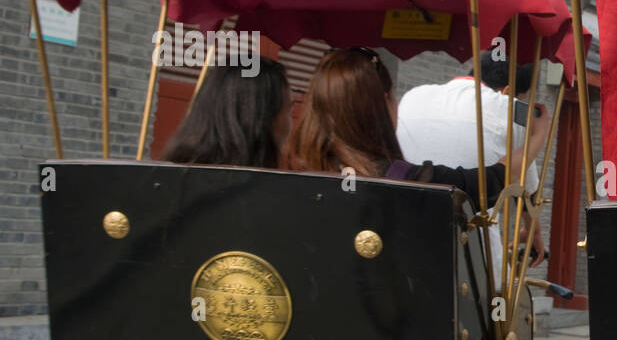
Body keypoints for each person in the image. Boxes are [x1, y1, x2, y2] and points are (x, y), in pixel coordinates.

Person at [290, 47, 545, 207]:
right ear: (382, 105)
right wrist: (539, 135)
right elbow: (486, 184)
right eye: (391, 98)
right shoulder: (404, 180)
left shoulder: (290, 174)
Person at [398, 52, 549, 266]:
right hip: (470, 254)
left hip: (401, 232)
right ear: (507, 92)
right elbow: (524, 189)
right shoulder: (509, 108)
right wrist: (533, 232)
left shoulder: (413, 95)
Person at [163, 59, 291, 168]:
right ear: (263, 119)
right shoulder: (270, 192)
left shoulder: (167, 181)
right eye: (288, 109)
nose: (291, 124)